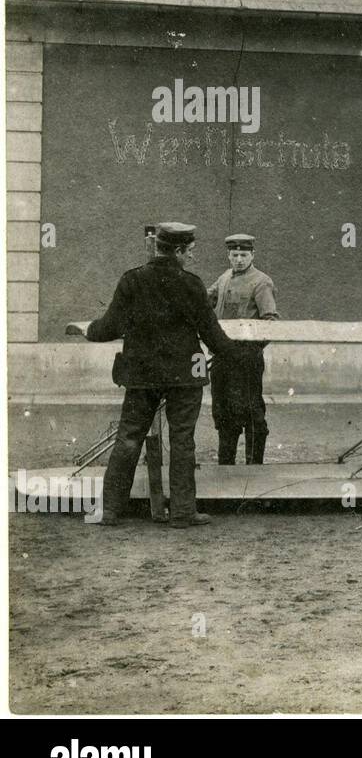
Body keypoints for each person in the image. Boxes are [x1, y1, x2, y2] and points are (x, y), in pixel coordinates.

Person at [85, 222, 236, 528]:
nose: (192, 257)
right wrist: (237, 354)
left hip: (141, 373)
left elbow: (109, 327)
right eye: (190, 251)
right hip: (185, 373)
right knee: (182, 440)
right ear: (178, 251)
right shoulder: (191, 284)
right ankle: (182, 512)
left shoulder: (132, 280)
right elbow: (212, 334)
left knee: (128, 437)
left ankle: (111, 511)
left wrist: (87, 330)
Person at [207, 233, 279, 465]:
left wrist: (250, 350)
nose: (239, 259)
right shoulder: (224, 277)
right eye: (235, 255)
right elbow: (206, 300)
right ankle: (225, 466)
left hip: (246, 361)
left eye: (244, 255)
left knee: (251, 412)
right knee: (223, 411)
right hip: (221, 358)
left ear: (252, 255)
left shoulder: (261, 282)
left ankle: (253, 467)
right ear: (228, 255)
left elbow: (270, 321)